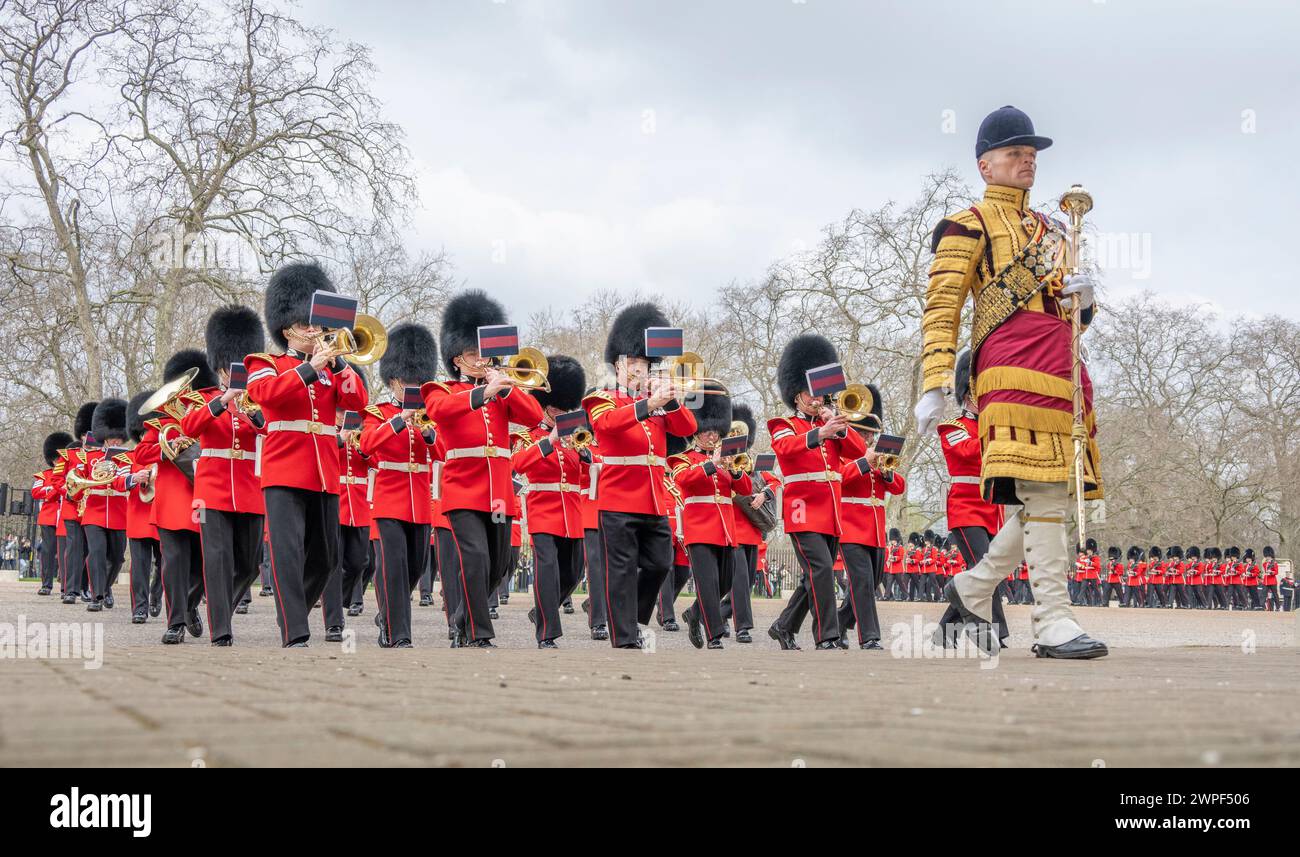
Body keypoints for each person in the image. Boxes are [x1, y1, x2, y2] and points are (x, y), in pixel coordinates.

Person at [914, 104, 1107, 658]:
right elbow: (943, 306)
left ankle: (972, 587)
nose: (1028, 161)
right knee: (1042, 491)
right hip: (1010, 369)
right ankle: (1053, 621)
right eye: (1016, 153)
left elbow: (1068, 314)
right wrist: (936, 379)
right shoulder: (967, 224)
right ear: (985, 165)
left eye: (1032, 154)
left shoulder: (1055, 230)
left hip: (1063, 370)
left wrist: (1084, 303)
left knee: (1047, 495)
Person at [246, 262, 369, 647]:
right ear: (287, 330)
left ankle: (293, 607)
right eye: (306, 325)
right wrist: (309, 369)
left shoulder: (332, 370)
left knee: (326, 557)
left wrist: (340, 363)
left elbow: (357, 402)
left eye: (317, 325)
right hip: (284, 471)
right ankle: (294, 628)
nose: (315, 331)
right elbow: (265, 395)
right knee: (287, 554)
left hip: (323, 473)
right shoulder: (265, 364)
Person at [422, 290, 543, 648]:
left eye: (484, 353)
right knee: (475, 559)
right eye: (474, 354)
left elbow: (534, 417)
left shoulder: (501, 393)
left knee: (498, 565)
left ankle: (461, 620)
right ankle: (479, 634)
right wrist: (485, 392)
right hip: (463, 489)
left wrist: (505, 389)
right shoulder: (441, 389)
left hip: (499, 493)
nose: (481, 359)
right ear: (457, 359)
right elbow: (440, 411)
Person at [582, 303, 697, 649]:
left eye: (643, 363)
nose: (638, 368)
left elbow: (687, 429)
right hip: (618, 499)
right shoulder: (602, 398)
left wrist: (670, 400)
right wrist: (648, 404)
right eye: (632, 362)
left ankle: (631, 619)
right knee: (621, 569)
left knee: (661, 564)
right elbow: (607, 425)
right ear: (617, 365)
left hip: (653, 500)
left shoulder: (657, 402)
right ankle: (624, 637)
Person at [765, 334, 867, 650]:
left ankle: (784, 626)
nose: (818, 398)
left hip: (830, 510)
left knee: (815, 574)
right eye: (811, 393)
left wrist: (838, 426)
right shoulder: (783, 424)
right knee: (821, 571)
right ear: (797, 395)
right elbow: (785, 448)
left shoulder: (831, 423)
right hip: (803, 508)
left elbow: (859, 452)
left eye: (820, 393)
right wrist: (820, 433)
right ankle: (827, 635)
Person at [179, 305, 270, 645]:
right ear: (219, 368)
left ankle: (192, 602)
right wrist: (222, 401)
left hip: (249, 488)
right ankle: (222, 630)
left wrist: (255, 415)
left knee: (248, 565)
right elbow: (189, 427)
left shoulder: (257, 401)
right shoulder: (203, 399)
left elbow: (271, 433)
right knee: (217, 560)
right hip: (212, 489)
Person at [362, 323, 440, 648]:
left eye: (417, 382)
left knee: (415, 568)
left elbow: (444, 454)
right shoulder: (377, 413)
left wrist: (429, 433)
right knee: (392, 568)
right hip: (389, 499)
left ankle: (387, 614)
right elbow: (367, 444)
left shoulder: (430, 416)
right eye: (408, 382)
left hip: (419, 501)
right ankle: (398, 634)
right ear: (393, 380)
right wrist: (399, 419)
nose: (413, 387)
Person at [511, 355, 589, 648]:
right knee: (547, 571)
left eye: (564, 409)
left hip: (572, 512)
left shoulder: (575, 440)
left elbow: (585, 477)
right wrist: (549, 440)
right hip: (543, 509)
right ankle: (547, 633)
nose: (560, 414)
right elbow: (518, 464)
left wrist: (586, 457)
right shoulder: (528, 436)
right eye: (555, 409)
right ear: (544, 407)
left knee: (573, 573)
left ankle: (541, 612)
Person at [933, 350, 1010, 644]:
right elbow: (967, 452)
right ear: (968, 395)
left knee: (986, 573)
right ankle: (996, 632)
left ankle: (945, 631)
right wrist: (994, 431)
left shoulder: (992, 430)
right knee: (983, 568)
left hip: (991, 510)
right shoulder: (952, 427)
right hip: (965, 509)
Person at [671, 382, 751, 650]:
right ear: (696, 431)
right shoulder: (683, 458)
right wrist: (711, 464)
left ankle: (694, 613)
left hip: (725, 529)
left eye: (716, 431)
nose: (712, 436)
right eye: (707, 431)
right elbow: (684, 480)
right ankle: (714, 635)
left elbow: (745, 489)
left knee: (725, 581)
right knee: (707, 583)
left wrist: (734, 470)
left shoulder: (728, 459)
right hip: (699, 528)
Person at [835, 384, 903, 650]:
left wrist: (886, 472)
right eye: (864, 434)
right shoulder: (842, 455)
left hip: (875, 530)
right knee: (861, 582)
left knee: (870, 582)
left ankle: (840, 622)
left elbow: (898, 488)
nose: (868, 439)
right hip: (851, 527)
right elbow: (841, 479)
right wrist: (865, 461)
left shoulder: (877, 458)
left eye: (870, 434)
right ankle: (869, 636)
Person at [79, 398, 130, 611]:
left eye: (119, 437)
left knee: (117, 558)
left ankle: (106, 587)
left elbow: (125, 481)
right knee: (97, 553)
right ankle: (97, 596)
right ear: (104, 437)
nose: (115, 441)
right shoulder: (90, 457)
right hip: (94, 511)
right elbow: (78, 480)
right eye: (111, 437)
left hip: (118, 512)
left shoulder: (127, 458)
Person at [123, 391, 163, 623]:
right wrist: (133, 478)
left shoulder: (165, 452)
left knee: (165, 562)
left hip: (161, 514)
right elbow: (119, 481)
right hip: (139, 515)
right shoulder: (130, 456)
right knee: (139, 565)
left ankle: (156, 595)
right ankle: (139, 607)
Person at [33, 432, 72, 595]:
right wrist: (53, 489)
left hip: (65, 516)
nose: (58, 461)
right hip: (49, 517)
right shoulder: (44, 475)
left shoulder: (70, 474)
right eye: (56, 459)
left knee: (66, 552)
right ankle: (46, 584)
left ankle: (66, 586)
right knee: (48, 551)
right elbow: (36, 492)